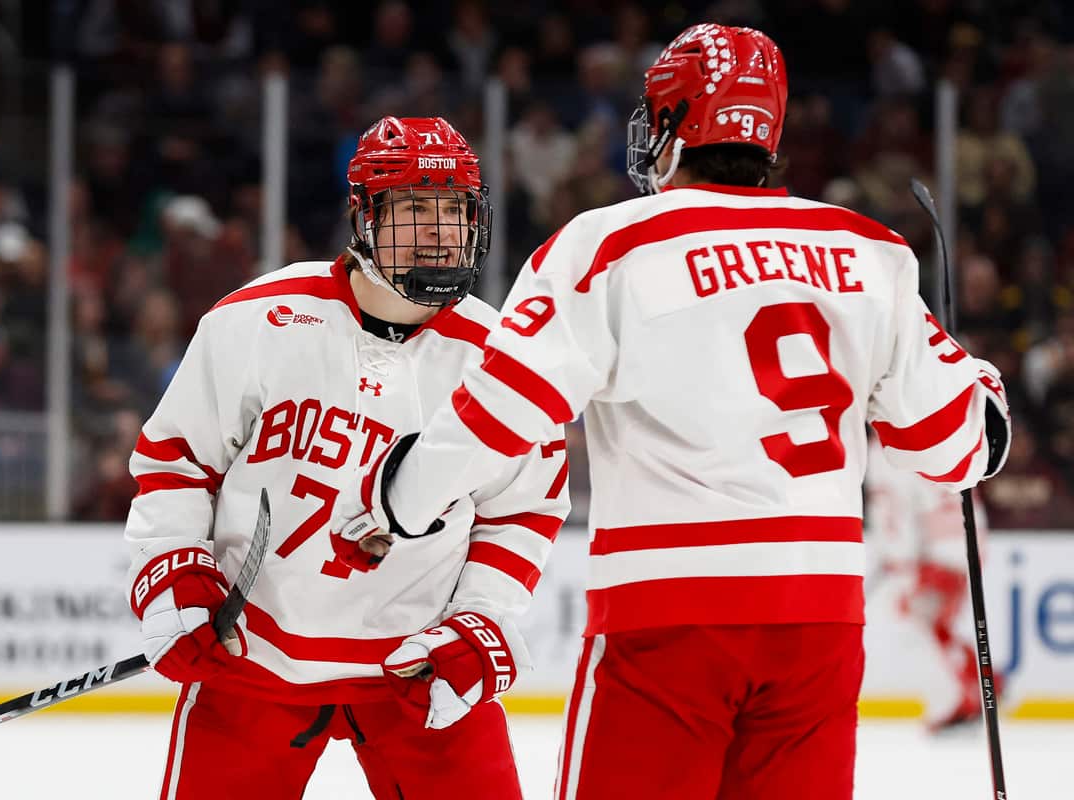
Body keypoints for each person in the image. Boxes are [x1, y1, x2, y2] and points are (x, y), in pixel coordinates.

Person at [329, 24, 1011, 800]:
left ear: (672, 124)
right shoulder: (869, 250)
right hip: (819, 622)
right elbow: (959, 447)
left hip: (668, 615)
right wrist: (980, 383)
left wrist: (399, 497)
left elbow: (501, 413)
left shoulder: (610, 244)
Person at [124, 116, 569, 800]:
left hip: (418, 671)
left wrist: (482, 617)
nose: (440, 230)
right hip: (253, 659)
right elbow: (177, 460)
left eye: (455, 209)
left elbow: (522, 510)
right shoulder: (259, 320)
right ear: (364, 216)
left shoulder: (501, 355)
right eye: (415, 207)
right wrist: (173, 568)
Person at [864, 435, 992, 732]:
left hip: (936, 553)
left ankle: (968, 695)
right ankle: (980, 684)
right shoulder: (934, 428)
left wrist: (899, 558)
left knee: (926, 624)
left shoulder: (884, 446)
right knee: (935, 626)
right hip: (965, 541)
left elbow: (894, 505)